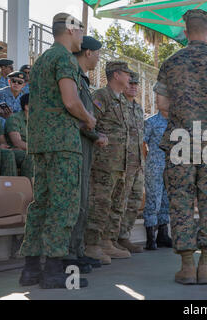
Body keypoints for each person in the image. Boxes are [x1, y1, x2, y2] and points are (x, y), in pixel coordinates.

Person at [155, 9, 207, 285]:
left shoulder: (171, 62)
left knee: (181, 202)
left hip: (181, 138)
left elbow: (162, 105)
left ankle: (187, 266)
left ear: (185, 32)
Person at [19, 13, 95, 289]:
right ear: (71, 31)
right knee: (63, 206)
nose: (82, 39)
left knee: (41, 204)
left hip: (40, 142)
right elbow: (71, 101)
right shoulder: (64, 58)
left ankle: (30, 269)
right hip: (63, 142)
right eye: (81, 33)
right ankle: (52, 271)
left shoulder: (41, 61)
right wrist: (89, 118)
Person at [64, 36, 107, 273]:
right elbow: (76, 116)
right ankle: (70, 254)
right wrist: (96, 135)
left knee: (83, 202)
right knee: (76, 203)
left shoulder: (81, 79)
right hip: (77, 146)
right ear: (88, 53)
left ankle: (78, 252)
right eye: (98, 53)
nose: (99, 57)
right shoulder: (73, 79)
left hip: (85, 147)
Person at [84, 61, 132, 263]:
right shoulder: (101, 96)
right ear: (117, 75)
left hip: (120, 164)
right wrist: (97, 137)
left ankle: (107, 242)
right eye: (127, 74)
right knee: (100, 204)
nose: (130, 78)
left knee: (116, 205)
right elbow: (87, 123)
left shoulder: (122, 101)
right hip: (104, 164)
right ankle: (91, 245)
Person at [117, 71, 145, 254]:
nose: (133, 86)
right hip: (122, 163)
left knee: (134, 201)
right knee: (120, 201)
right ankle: (112, 238)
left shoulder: (138, 108)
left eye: (136, 84)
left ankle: (124, 236)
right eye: (131, 83)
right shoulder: (118, 105)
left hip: (137, 162)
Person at [143, 93, 172, 251]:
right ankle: (150, 237)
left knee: (166, 202)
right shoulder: (151, 121)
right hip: (155, 166)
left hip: (171, 167)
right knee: (153, 200)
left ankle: (163, 235)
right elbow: (143, 142)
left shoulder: (176, 123)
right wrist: (148, 160)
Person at [4, 93, 34, 180]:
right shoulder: (15, 119)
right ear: (27, 107)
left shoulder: (36, 121)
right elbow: (17, 143)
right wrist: (36, 149)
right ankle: (29, 187)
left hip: (29, 150)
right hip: (15, 151)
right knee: (31, 157)